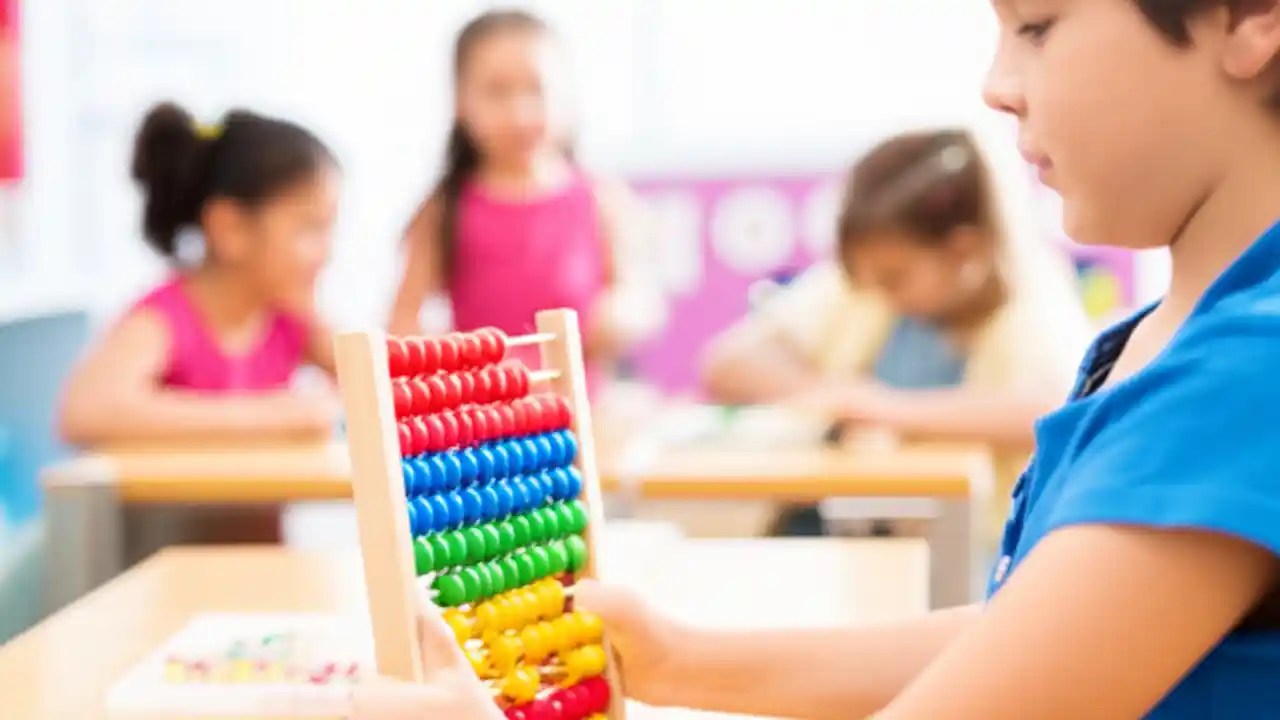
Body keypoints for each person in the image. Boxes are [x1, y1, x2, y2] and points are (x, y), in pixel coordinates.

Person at [352, 0, 1280, 716]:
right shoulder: (1183, 330)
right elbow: (1032, 641)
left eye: (1038, 24)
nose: (997, 84)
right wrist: (682, 660)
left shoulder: (1247, 373)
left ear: (1248, 16)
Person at [703, 127, 1090, 536]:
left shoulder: (1032, 300)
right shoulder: (863, 286)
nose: (879, 291)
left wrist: (880, 407)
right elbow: (727, 364)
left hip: (969, 548)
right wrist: (833, 394)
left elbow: (1053, 411)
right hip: (845, 527)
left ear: (964, 250)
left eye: (896, 278)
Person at [387, 10, 663, 390]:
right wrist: (441, 360)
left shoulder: (602, 199)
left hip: (585, 412)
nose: (520, 112)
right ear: (461, 102)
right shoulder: (446, 207)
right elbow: (403, 321)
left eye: (537, 89)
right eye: (496, 92)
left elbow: (640, 297)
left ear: (566, 95)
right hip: (486, 420)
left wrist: (620, 314)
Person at [60, 102, 341, 446]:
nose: (327, 254)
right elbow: (87, 411)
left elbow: (376, 390)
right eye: (310, 228)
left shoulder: (290, 320)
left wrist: (323, 332)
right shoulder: (166, 320)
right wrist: (269, 417)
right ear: (230, 227)